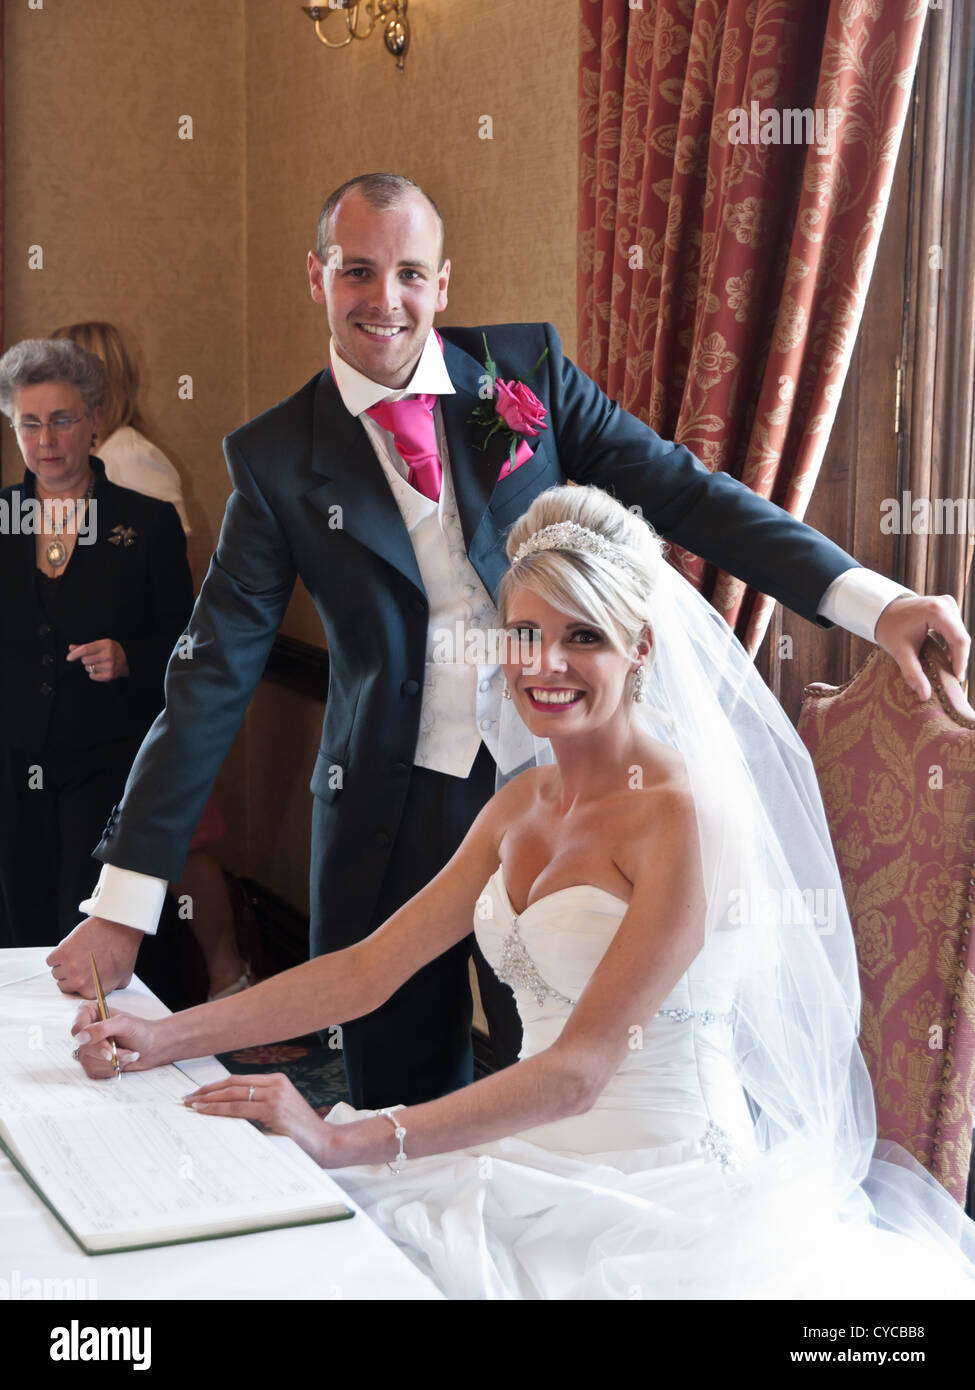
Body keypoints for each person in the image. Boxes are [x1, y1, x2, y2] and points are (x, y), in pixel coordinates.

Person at [49, 172, 969, 1113]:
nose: (384, 299)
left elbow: (684, 491)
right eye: (357, 270)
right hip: (386, 811)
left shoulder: (525, 374)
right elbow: (208, 676)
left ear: (441, 284)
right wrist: (124, 904)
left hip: (571, 795)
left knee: (563, 1071)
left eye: (409, 272)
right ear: (316, 277)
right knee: (391, 1100)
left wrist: (870, 599)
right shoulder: (275, 456)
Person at [72, 484, 975, 1299]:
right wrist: (163, 1036)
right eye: (524, 633)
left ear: (641, 647)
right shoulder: (521, 803)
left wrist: (346, 1137)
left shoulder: (684, 819)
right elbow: (366, 970)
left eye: (583, 635)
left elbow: (582, 1073)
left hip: (659, 1203)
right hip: (523, 1157)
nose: (545, 665)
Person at [50, 321, 251, 1001]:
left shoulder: (130, 460)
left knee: (180, 837)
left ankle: (228, 974)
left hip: (149, 685)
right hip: (110, 687)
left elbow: (170, 593)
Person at [0, 339, 193, 947]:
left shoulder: (148, 523)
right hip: (10, 765)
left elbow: (191, 648)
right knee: (16, 927)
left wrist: (132, 655)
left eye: (61, 420)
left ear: (94, 423)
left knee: (88, 928)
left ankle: (103, 1042)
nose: (45, 440)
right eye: (28, 424)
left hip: (107, 763)